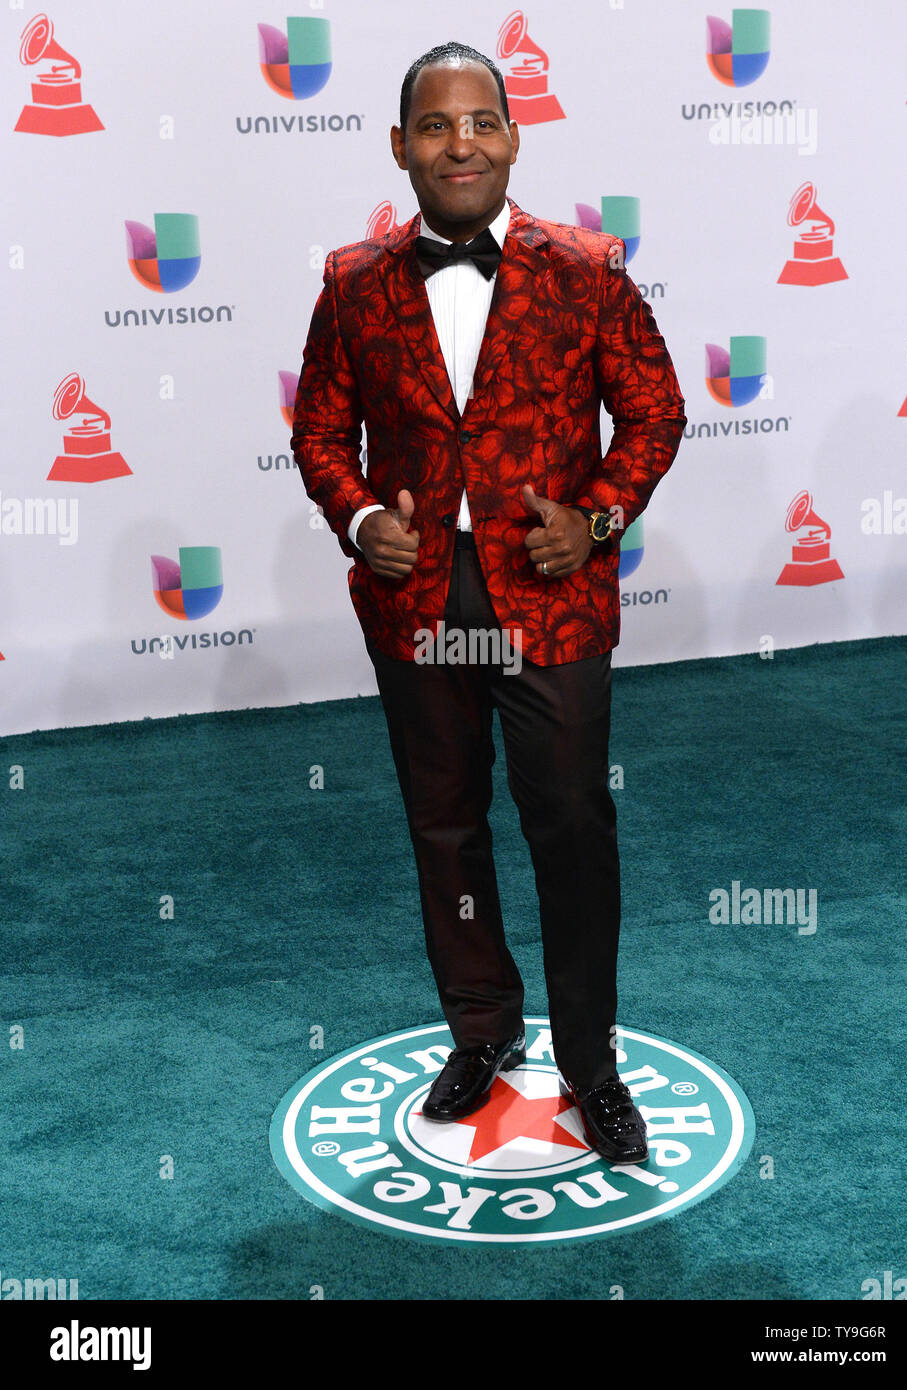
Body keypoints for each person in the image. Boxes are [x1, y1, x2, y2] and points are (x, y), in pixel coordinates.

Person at [291, 41, 686, 1163]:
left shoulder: (589, 268)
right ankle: (481, 1027)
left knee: (570, 824)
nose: (458, 143)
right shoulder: (352, 281)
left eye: (480, 123)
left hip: (551, 596)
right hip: (418, 596)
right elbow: (320, 430)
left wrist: (598, 518)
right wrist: (365, 519)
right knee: (446, 823)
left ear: (513, 138)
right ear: (400, 146)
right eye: (434, 125)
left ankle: (591, 1061)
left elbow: (654, 415)